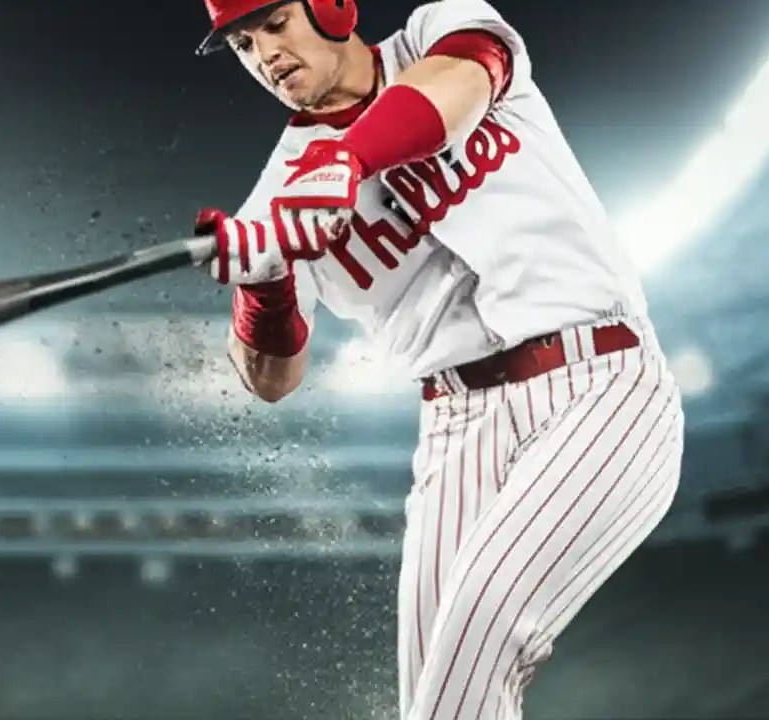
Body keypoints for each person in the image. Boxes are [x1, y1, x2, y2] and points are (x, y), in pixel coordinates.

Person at [191, 0, 686, 717]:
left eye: (275, 23)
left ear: (331, 7)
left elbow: (465, 79)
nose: (265, 55)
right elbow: (271, 380)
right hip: (457, 430)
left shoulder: (435, 32)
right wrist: (263, 287)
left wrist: (350, 157)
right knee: (432, 696)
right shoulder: (277, 196)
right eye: (242, 44)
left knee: (483, 625)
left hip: (601, 383)